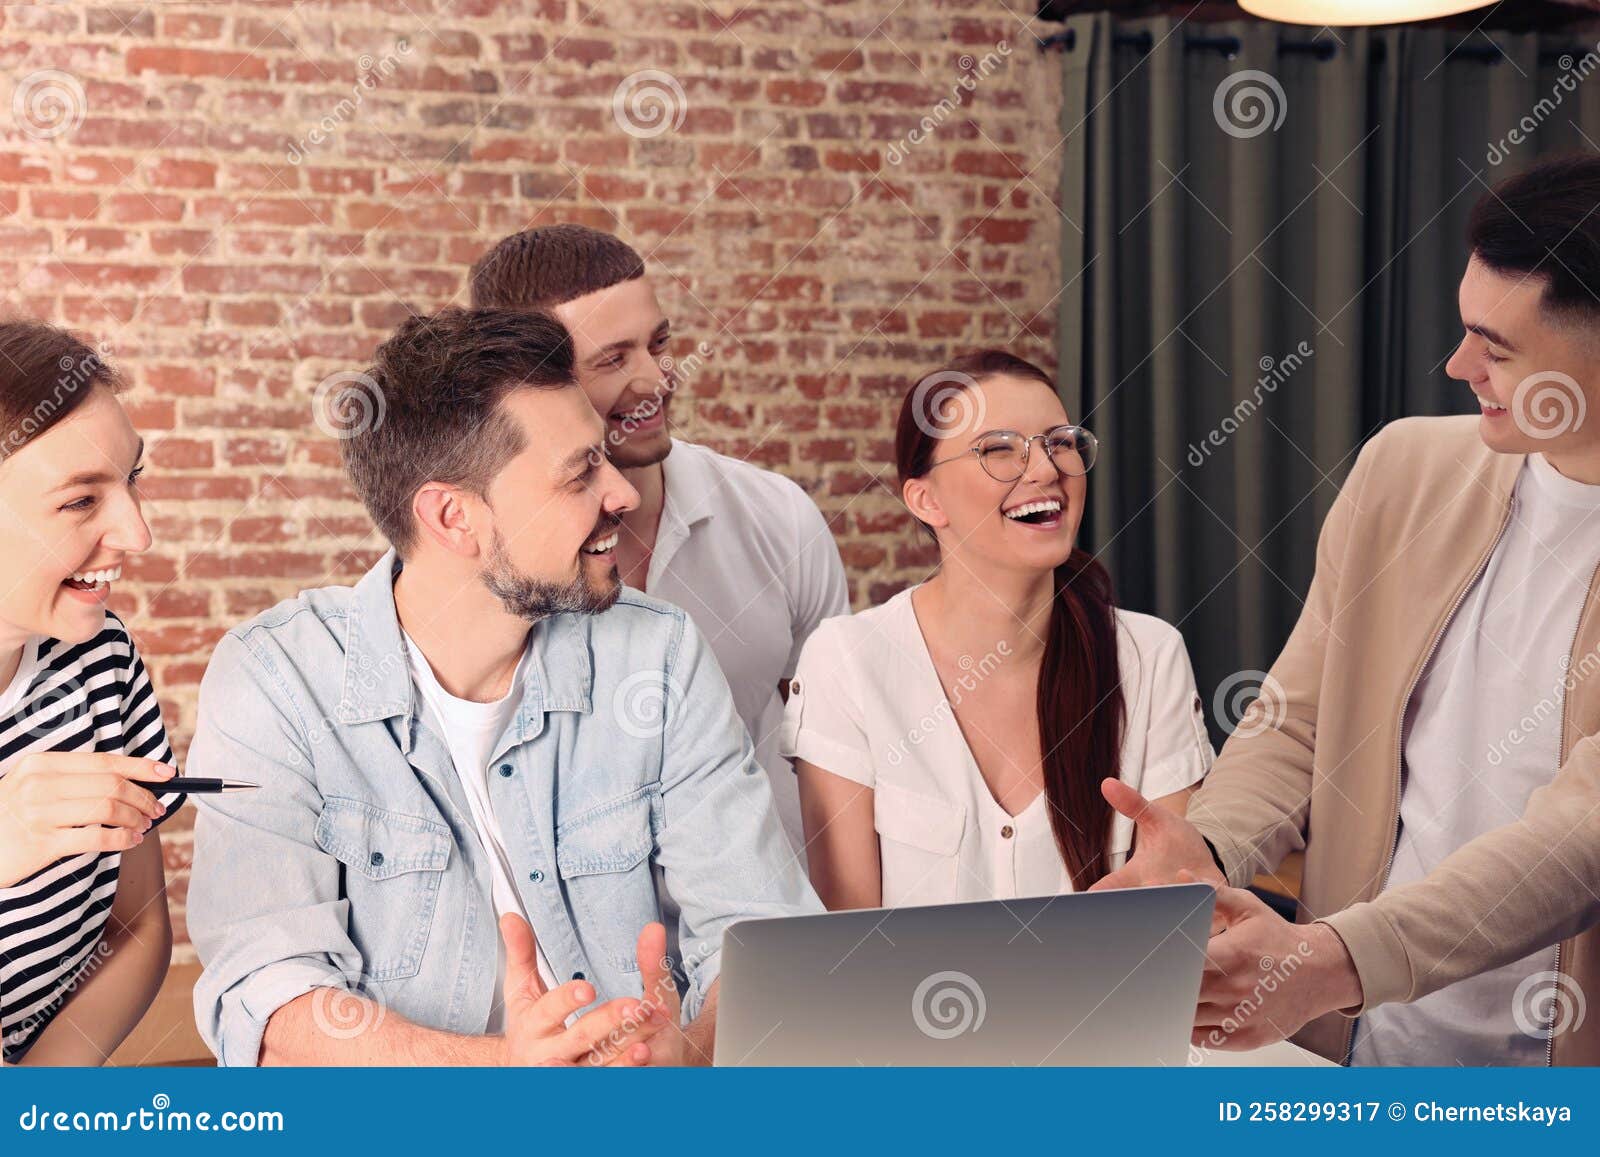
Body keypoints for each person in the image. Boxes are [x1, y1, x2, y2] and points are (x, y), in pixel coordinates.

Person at [184, 307, 819, 1067]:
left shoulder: (659, 652)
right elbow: (268, 989)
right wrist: (503, 1074)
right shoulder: (278, 679)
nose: (621, 492)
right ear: (455, 516)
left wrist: (689, 1050)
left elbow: (757, 933)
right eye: (580, 471)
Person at [1095, 154, 1600, 1066]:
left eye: (1499, 346)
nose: (1457, 366)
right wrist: (1207, 847)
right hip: (1364, 1047)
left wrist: (1332, 956)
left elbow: (1580, 841)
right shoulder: (1405, 470)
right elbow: (1299, 719)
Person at [469, 225, 849, 860]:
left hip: (762, 920)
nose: (657, 379)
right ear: (526, 384)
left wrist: (836, 934)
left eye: (659, 343)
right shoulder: (480, 560)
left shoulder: (777, 516)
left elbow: (837, 753)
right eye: (613, 359)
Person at [783, 351, 1213, 909]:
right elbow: (846, 945)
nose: (1045, 470)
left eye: (1059, 441)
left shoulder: (1150, 658)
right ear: (926, 500)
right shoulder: (847, 663)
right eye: (999, 450)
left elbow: (1172, 920)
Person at [0, 320, 183, 1066]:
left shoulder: (100, 657)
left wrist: (41, 1098)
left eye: (131, 479)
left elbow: (137, 925)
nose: (136, 533)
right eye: (80, 502)